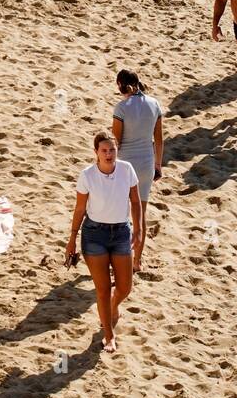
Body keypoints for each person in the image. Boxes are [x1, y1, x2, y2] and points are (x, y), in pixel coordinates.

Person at [65, 131, 141, 354]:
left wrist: (138, 229)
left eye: (112, 150)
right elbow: (80, 208)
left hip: (120, 232)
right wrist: (71, 238)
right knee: (102, 289)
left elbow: (135, 201)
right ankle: (109, 335)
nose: (109, 154)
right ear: (96, 152)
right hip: (94, 234)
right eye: (104, 150)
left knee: (125, 287)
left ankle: (112, 306)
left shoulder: (127, 169)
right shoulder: (87, 175)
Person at [111, 70, 163, 273]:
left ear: (121, 85)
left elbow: (117, 142)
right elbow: (158, 140)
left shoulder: (122, 108)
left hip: (125, 165)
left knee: (119, 215)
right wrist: (158, 166)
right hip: (146, 164)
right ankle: (137, 261)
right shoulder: (154, 104)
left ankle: (119, 259)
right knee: (140, 214)